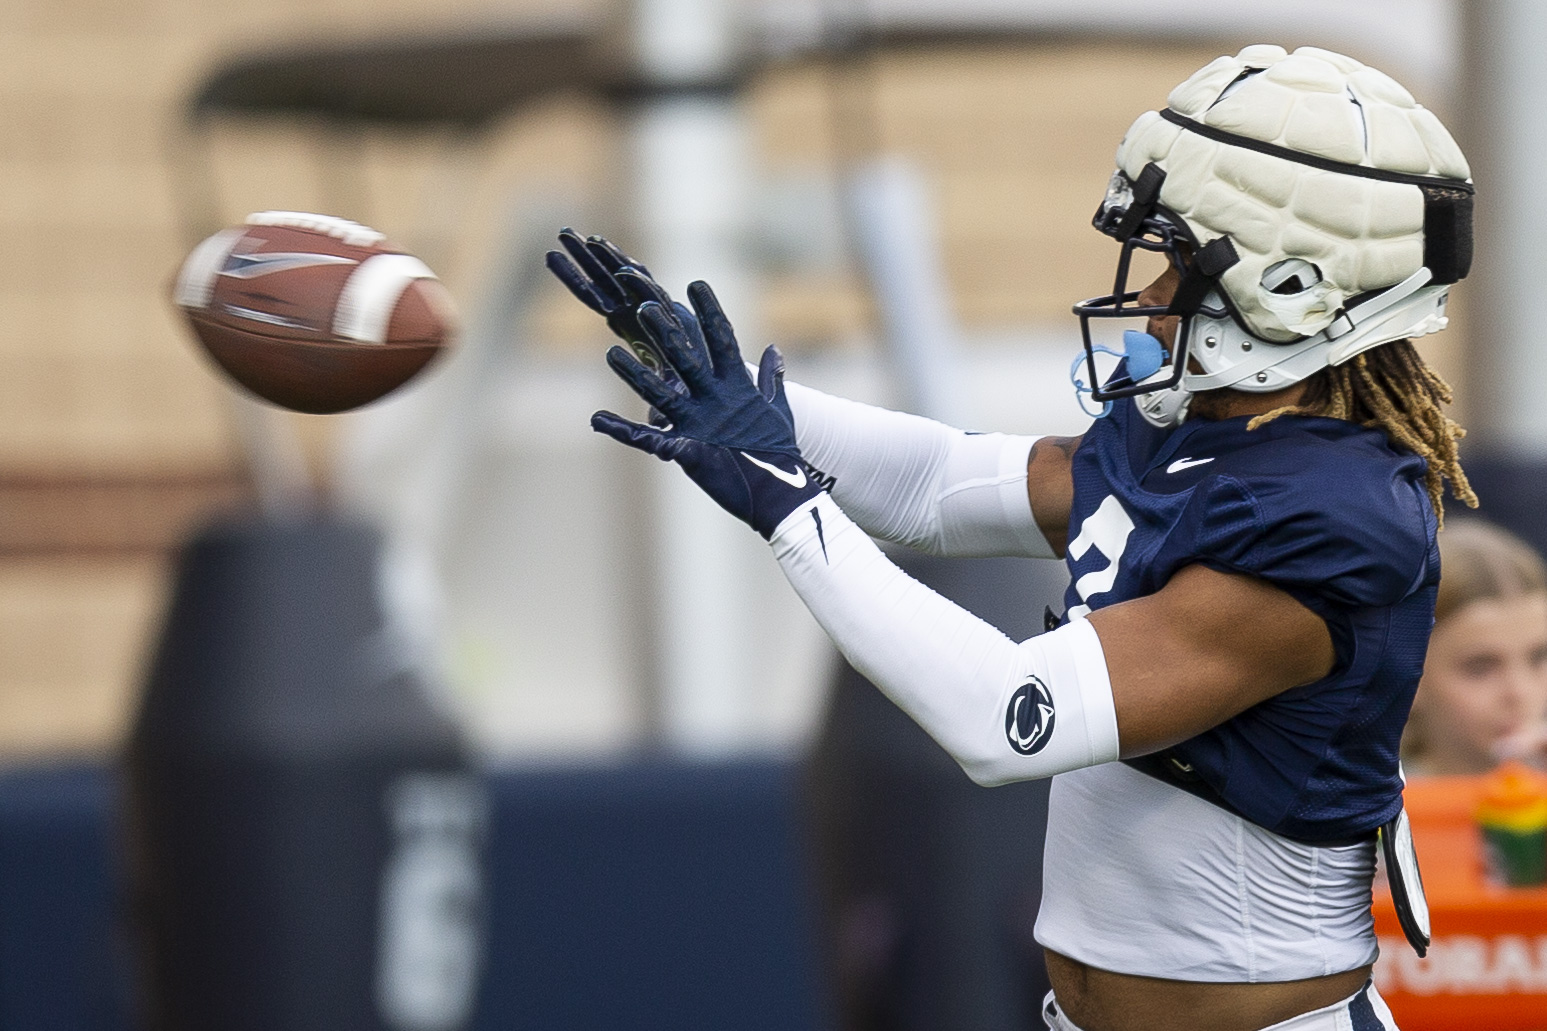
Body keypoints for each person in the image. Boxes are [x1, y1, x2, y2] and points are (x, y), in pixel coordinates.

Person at [548, 44, 1475, 1031]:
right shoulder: (1200, 428)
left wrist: (786, 504)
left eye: (1180, 263)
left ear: (1293, 290)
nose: (1153, 294)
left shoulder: (1329, 523)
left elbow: (1004, 718)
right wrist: (735, 400)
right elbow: (945, 485)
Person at [1402, 520, 1547, 776]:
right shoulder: (1370, 809)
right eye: (1479, 668)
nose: (1519, 692)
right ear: (1406, 675)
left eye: (1538, 658)